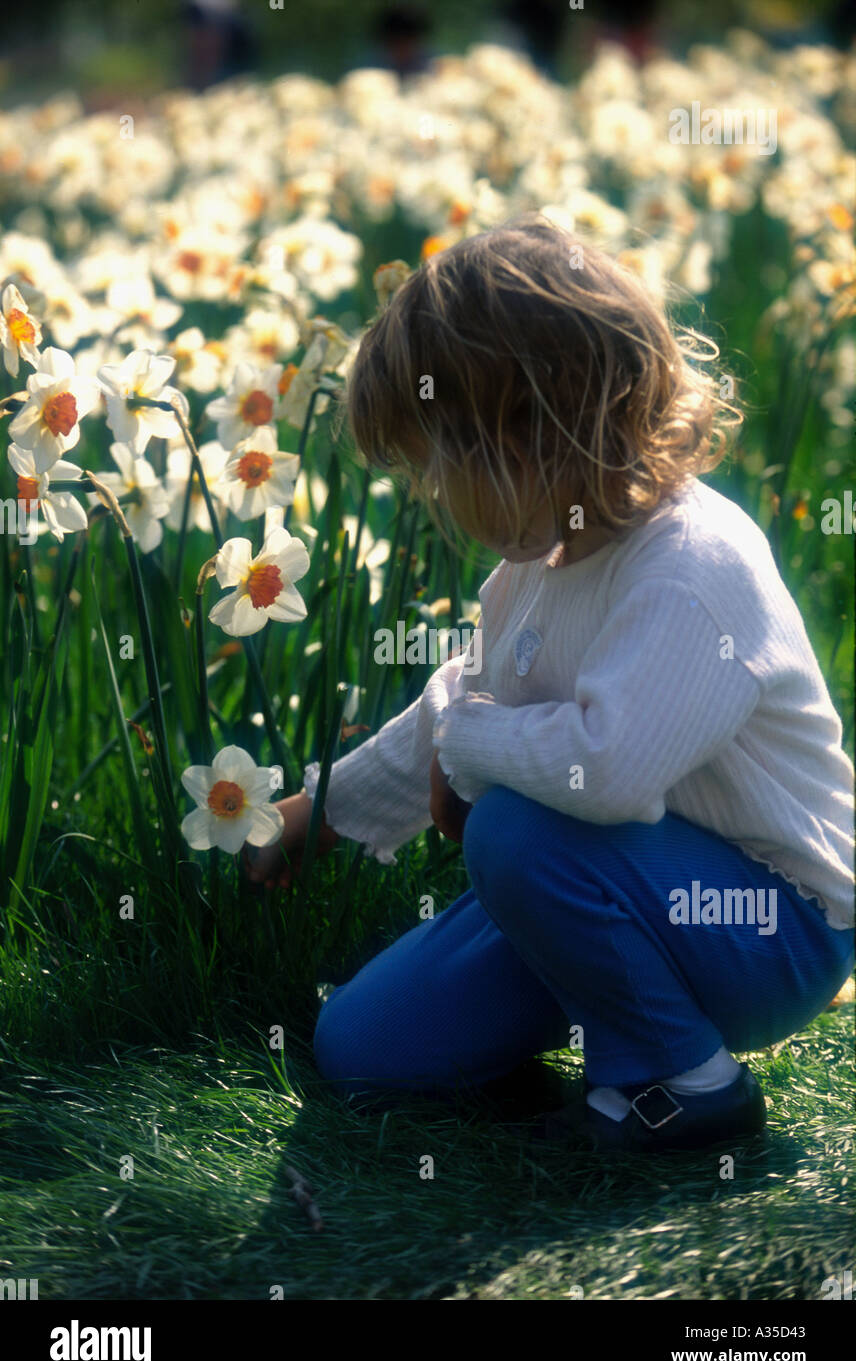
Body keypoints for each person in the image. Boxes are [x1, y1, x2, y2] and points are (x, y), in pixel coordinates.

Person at [243, 213, 855, 1152]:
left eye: (443, 465)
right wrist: (313, 814)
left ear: (538, 429)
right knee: (365, 1047)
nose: (433, 497)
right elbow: (454, 705)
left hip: (772, 924)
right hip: (620, 891)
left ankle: (684, 1086)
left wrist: (469, 744)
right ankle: (608, 1000)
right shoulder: (540, 568)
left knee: (518, 830)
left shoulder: (694, 567)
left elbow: (606, 775)